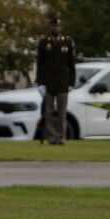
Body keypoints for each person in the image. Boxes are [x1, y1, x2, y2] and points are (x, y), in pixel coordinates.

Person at [34, 16, 77, 145]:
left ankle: (61, 137)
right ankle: (52, 137)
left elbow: (71, 65)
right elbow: (40, 64)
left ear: (61, 28)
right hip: (49, 82)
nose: (56, 28)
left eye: (58, 26)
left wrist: (71, 82)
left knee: (62, 112)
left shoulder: (67, 42)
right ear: (50, 28)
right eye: (54, 26)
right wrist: (40, 83)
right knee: (49, 112)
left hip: (63, 82)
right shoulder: (44, 43)